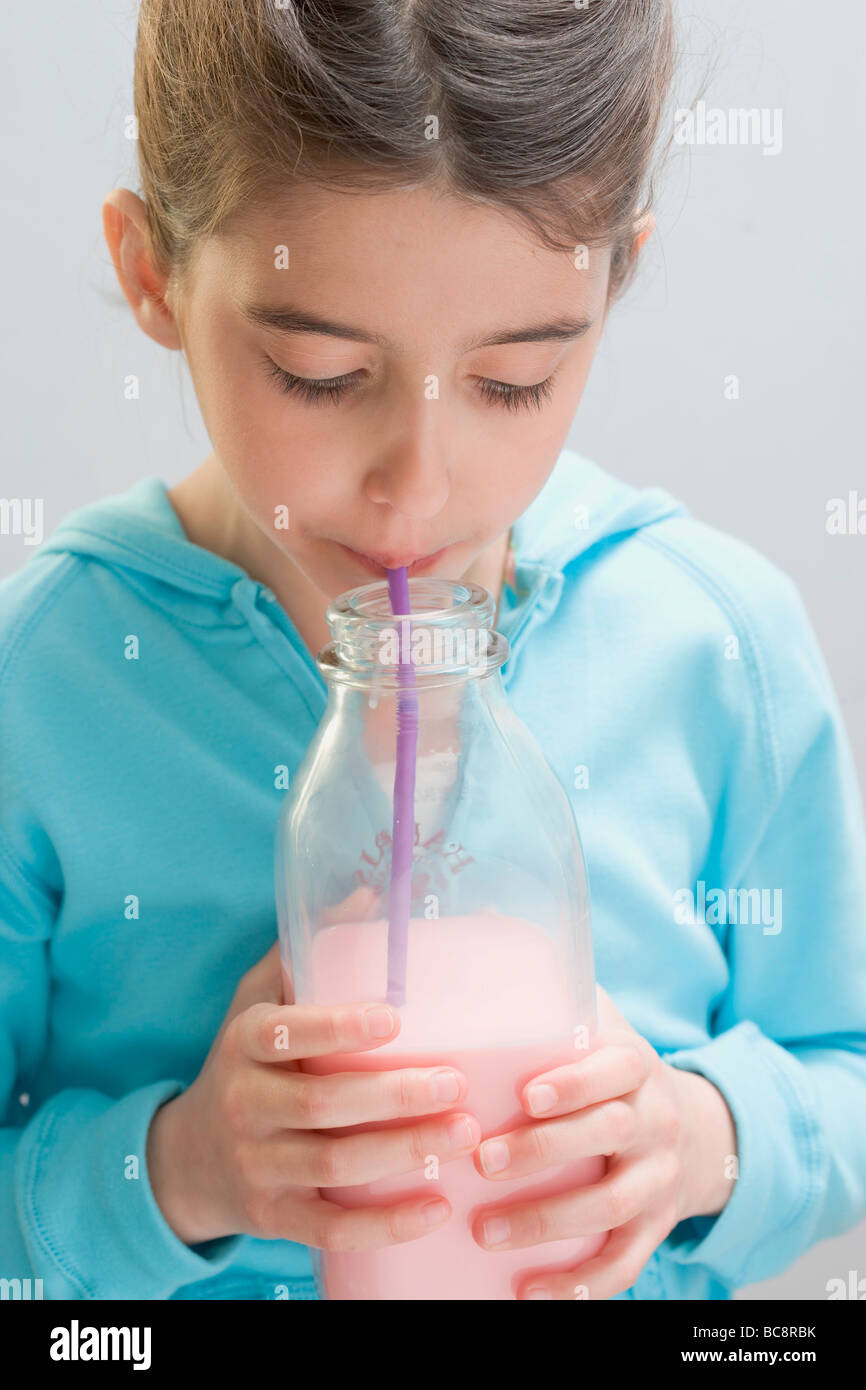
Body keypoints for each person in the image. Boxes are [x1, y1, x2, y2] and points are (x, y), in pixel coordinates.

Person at [1, 0, 864, 1302]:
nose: (417, 492)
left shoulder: (711, 647)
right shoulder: (47, 683)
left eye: (513, 379)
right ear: (153, 272)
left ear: (613, 279)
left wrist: (699, 1141)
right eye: (317, 369)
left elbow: (840, 1065)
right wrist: (174, 1170)